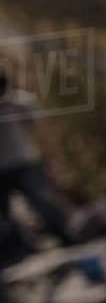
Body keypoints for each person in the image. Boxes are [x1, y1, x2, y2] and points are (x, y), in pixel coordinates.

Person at [0, 71, 74, 250]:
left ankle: (68, 236)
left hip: (24, 162)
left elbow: (41, 133)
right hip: (2, 169)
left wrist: (53, 159)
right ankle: (21, 247)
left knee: (42, 202)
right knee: (4, 214)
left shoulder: (21, 103)